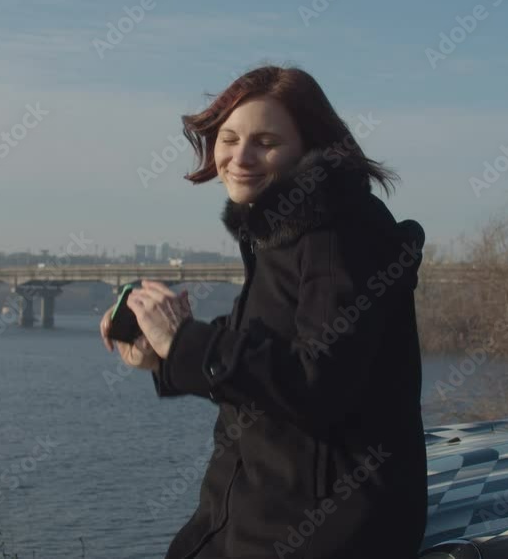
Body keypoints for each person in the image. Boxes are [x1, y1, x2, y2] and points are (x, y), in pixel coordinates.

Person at [100, 64, 427, 559]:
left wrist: (185, 342)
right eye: (229, 138)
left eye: (265, 142)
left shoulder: (342, 236)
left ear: (310, 147)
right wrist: (162, 357)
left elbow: (320, 384)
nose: (239, 157)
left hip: (325, 527)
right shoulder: (280, 238)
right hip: (249, 514)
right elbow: (259, 373)